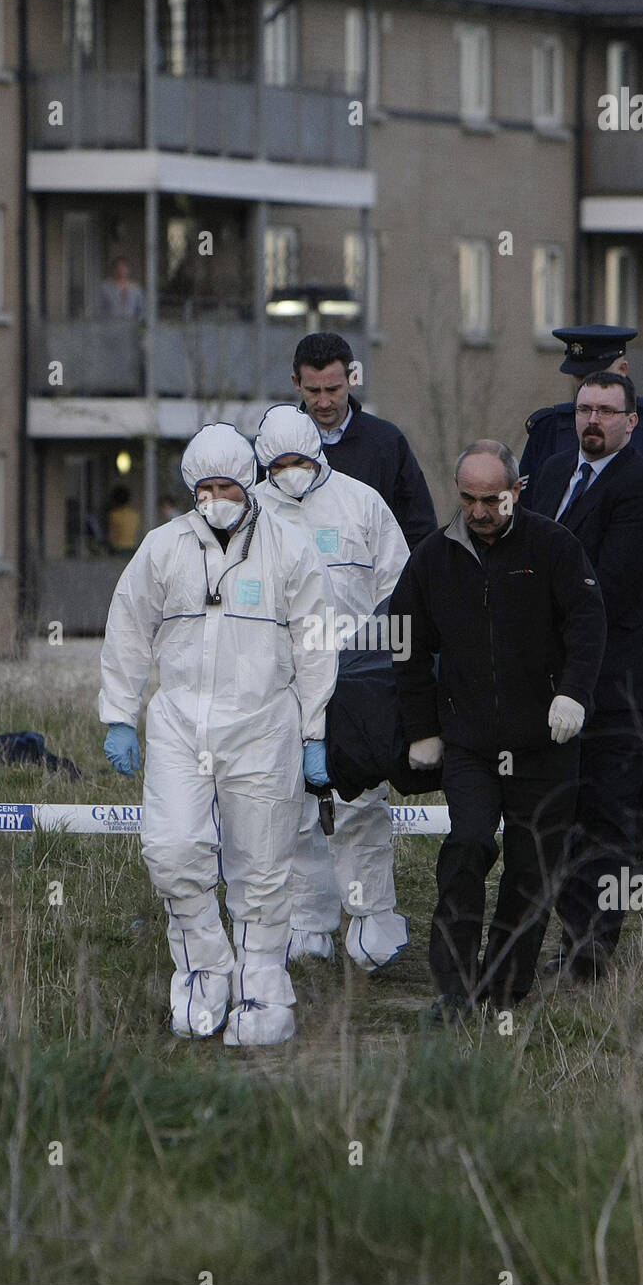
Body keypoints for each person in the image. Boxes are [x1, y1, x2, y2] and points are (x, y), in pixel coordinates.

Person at [99, 423, 338, 1046]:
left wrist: (315, 730)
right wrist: (120, 713)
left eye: (227, 486)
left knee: (261, 868)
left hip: (263, 725)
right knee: (172, 850)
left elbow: (316, 641)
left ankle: (263, 993)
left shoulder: (288, 547)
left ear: (248, 484)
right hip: (180, 724)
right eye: (204, 488)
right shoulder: (164, 547)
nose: (215, 498)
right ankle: (204, 975)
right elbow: (128, 626)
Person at [390, 441, 607, 1021]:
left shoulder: (554, 546)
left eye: (492, 499)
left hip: (546, 742)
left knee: (532, 868)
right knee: (468, 846)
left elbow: (589, 622)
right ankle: (455, 989)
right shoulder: (434, 557)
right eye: (468, 499)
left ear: (517, 491)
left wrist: (574, 694)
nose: (479, 511)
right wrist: (421, 729)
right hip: (470, 744)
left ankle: (505, 989)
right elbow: (406, 642)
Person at [520, 324, 643, 868]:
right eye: (581, 392)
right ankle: (594, 861)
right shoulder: (550, 434)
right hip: (559, 632)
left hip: (638, 619)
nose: (591, 413)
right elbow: (525, 520)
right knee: (581, 754)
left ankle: (634, 846)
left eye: (604, 397)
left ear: (625, 379)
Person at [254, 403, 411, 971]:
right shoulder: (251, 514)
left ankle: (373, 921)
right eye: (278, 466)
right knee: (293, 808)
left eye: (299, 462)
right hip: (281, 683)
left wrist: (382, 669)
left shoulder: (361, 504)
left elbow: (399, 590)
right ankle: (309, 923)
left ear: (318, 455)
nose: (290, 474)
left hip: (354, 683)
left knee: (359, 803)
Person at [532, 373, 643, 982]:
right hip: (558, 682)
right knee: (560, 821)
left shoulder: (641, 488)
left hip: (620, 691)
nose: (593, 420)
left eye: (607, 411)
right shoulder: (552, 472)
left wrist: (529, 600)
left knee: (606, 825)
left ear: (631, 422)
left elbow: (604, 587)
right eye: (585, 408)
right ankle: (571, 943)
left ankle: (591, 957)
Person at [291, 331, 438, 550]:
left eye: (332, 390)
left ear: (352, 379)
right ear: (297, 383)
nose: (324, 402)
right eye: (313, 391)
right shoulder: (278, 447)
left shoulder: (387, 443)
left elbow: (419, 528)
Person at [106, 485, 141, 553]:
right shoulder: (135, 514)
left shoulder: (114, 514)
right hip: (132, 548)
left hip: (118, 549)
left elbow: (112, 535)